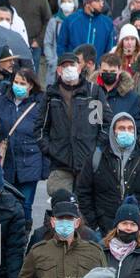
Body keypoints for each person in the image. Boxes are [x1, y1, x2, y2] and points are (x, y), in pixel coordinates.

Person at [13, 196, 107, 278]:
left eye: (69, 219)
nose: (64, 223)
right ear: (53, 222)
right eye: (60, 219)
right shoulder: (39, 251)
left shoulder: (94, 252)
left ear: (77, 223)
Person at [39, 52, 100, 193]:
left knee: (84, 210)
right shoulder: (51, 95)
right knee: (61, 208)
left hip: (87, 163)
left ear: (79, 68)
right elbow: (41, 127)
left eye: (71, 65)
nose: (68, 68)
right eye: (64, 66)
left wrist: (96, 151)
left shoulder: (93, 92)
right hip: (60, 164)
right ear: (58, 70)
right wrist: (49, 150)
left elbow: (102, 125)